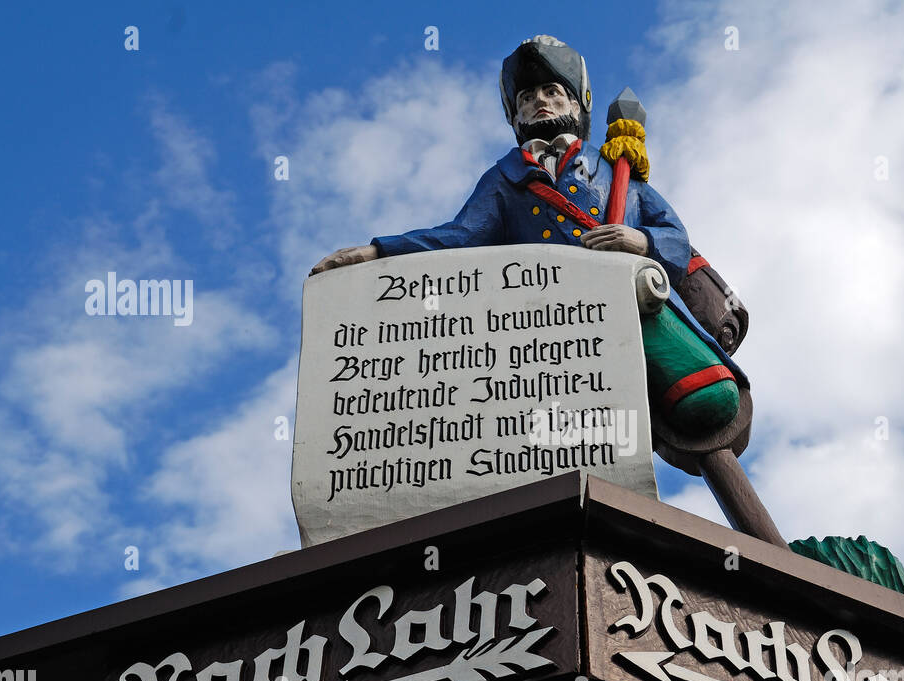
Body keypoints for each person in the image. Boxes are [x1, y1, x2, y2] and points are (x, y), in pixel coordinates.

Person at [310, 34, 742, 434]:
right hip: (549, 328)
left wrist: (640, 241)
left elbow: (675, 237)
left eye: (553, 92)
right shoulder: (503, 179)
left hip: (634, 302)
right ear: (514, 114)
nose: (540, 102)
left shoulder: (615, 169)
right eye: (527, 96)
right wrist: (379, 251)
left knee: (708, 396)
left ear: (577, 103)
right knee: (559, 433)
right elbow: (459, 237)